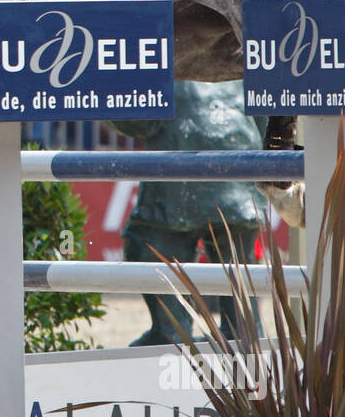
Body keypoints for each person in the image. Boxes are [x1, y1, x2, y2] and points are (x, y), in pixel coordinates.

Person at [110, 81, 263, 347]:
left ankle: (171, 331)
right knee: (237, 265)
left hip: (179, 181)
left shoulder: (163, 61)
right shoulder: (239, 58)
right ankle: (245, 334)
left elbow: (132, 120)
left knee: (152, 242)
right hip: (240, 170)